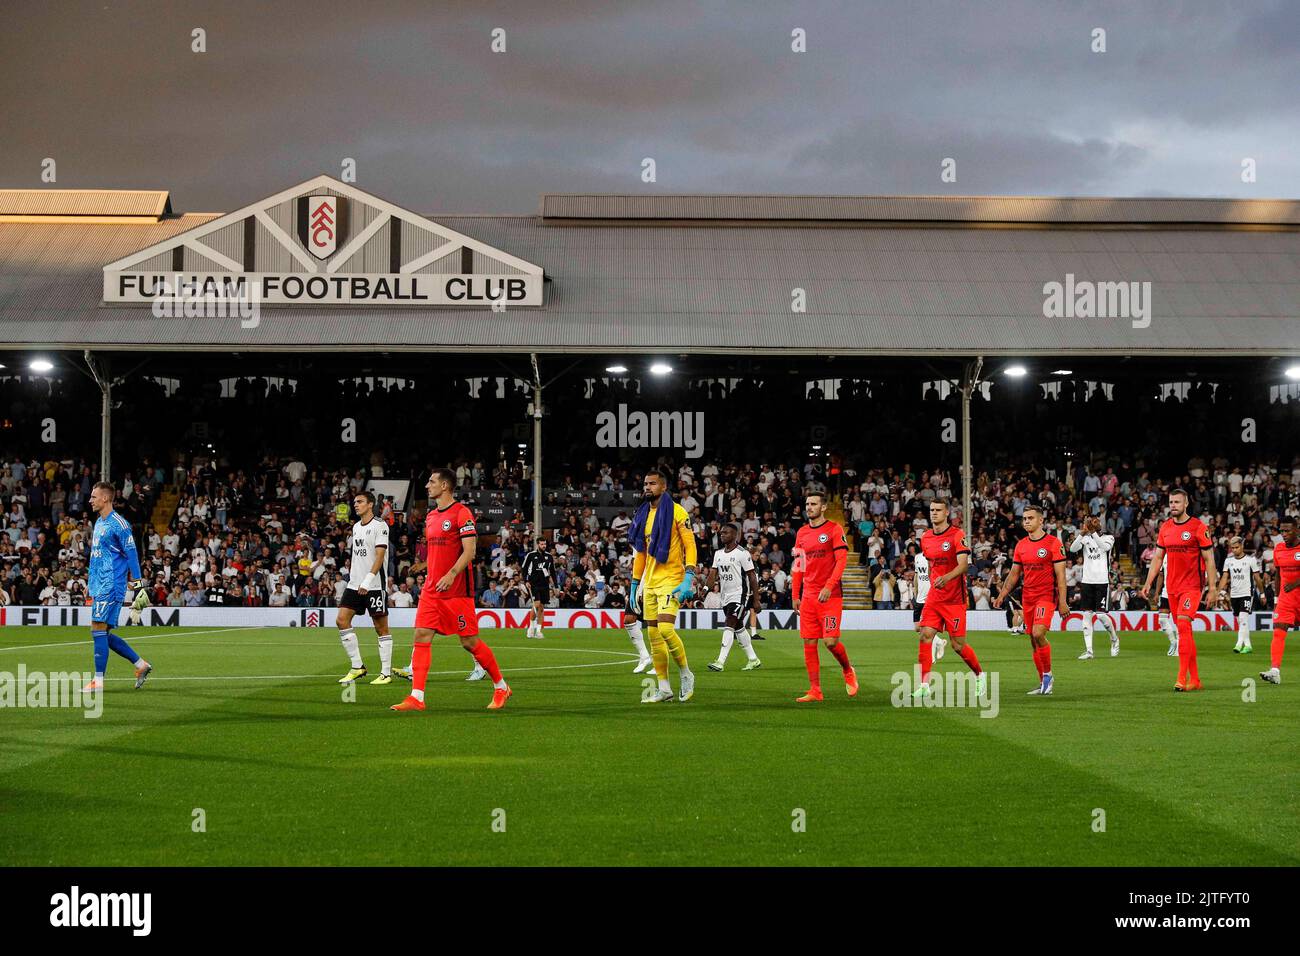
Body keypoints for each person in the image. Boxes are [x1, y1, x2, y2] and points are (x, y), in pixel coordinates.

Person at [392, 469, 511, 711]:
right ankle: (417, 696)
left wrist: (451, 574)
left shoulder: (462, 513)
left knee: (469, 642)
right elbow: (439, 552)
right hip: (432, 589)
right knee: (421, 636)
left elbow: (470, 551)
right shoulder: (432, 516)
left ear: (445, 485)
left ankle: (501, 686)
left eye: (432, 482)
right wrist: (427, 568)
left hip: (456, 590)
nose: (427, 486)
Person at [629, 468, 697, 703]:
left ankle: (686, 674)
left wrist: (689, 575)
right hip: (650, 582)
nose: (647, 487)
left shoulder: (678, 513)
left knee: (666, 630)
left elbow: (691, 545)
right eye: (646, 484)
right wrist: (635, 582)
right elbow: (640, 552)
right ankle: (664, 688)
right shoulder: (642, 515)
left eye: (653, 484)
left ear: (664, 487)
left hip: (672, 580)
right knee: (654, 636)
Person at [1140, 488, 1218, 691]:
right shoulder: (1165, 527)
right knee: (1185, 632)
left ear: (1186, 504)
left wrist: (1212, 588)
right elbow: (1157, 558)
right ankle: (1196, 680)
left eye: (1177, 502)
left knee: (1183, 626)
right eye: (1171, 502)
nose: (1173, 505)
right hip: (1171, 588)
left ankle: (1181, 678)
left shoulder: (1198, 527)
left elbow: (1209, 559)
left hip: (1191, 587)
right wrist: (1148, 582)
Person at [83, 481, 152, 694]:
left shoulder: (120, 525)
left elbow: (132, 555)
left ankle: (98, 680)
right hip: (100, 583)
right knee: (103, 632)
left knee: (97, 628)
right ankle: (141, 665)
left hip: (112, 584)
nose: (90, 500)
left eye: (94, 497)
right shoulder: (100, 522)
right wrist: (90, 582)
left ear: (105, 498)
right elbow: (97, 557)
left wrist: (139, 586)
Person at [915, 499, 985, 700]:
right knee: (924, 635)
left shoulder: (957, 535)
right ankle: (924, 685)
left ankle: (980, 675)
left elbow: (964, 565)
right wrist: (933, 582)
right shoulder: (926, 537)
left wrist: (945, 578)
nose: (934, 513)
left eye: (938, 510)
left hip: (954, 598)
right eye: (932, 510)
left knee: (958, 645)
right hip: (935, 598)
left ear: (947, 513)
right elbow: (930, 564)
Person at [995, 506, 1068, 696]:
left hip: (1045, 596)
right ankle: (1043, 681)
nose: (1026, 521)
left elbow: (1061, 576)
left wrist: (1063, 601)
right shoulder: (1021, 545)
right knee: (1033, 641)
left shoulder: (1053, 543)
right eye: (1024, 518)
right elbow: (1014, 574)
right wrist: (1002, 594)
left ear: (1041, 521)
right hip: (1028, 597)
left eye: (1030, 518)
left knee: (1037, 633)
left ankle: (1048, 676)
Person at [791, 491, 857, 702]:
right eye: (807, 504)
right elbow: (798, 565)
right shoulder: (801, 532)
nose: (809, 507)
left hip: (830, 596)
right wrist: (795, 593)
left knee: (830, 641)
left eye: (813, 504)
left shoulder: (834, 530)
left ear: (823, 507)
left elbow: (841, 561)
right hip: (809, 596)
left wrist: (829, 586)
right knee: (809, 642)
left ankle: (847, 670)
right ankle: (815, 690)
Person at [336, 490, 394, 685]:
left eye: (360, 501)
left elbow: (379, 556)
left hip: (374, 585)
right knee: (342, 620)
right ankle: (357, 667)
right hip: (355, 584)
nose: (356, 505)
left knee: (381, 627)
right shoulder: (356, 527)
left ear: (370, 504)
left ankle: (385, 673)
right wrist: (356, 579)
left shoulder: (380, 525)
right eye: (355, 502)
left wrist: (368, 581)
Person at [705, 523, 762, 672]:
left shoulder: (742, 553)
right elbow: (712, 574)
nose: (722, 534)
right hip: (725, 596)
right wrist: (705, 588)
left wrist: (756, 599)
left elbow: (752, 576)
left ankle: (720, 661)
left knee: (729, 623)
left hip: (740, 595)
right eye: (721, 533)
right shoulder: (718, 554)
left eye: (726, 533)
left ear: (735, 535)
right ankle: (753, 659)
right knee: (739, 627)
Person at [1069, 515, 1120, 659]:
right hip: (1087, 581)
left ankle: (1114, 639)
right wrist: (1082, 534)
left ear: (1100, 524)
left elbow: (1104, 548)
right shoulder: (1085, 538)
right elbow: (1073, 549)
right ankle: (1089, 651)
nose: (1093, 523)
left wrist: (1092, 533)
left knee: (1101, 615)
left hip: (1102, 581)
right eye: (1091, 522)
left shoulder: (1108, 538)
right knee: (1086, 615)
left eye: (1095, 522)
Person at [1260, 517, 1299, 685]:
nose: (1284, 534)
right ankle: (1275, 670)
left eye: (1287, 530)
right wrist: (1276, 599)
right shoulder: (1279, 549)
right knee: (1278, 631)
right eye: (1281, 531)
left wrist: (1296, 583)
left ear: (1296, 529)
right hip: (1286, 600)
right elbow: (1278, 576)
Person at [1218, 537, 1264, 655]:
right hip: (1234, 594)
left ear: (1242, 546)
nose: (1234, 550)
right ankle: (1248, 645)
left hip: (1247, 593)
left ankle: (1238, 645)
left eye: (1236, 547)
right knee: (1240, 621)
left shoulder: (1251, 560)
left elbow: (1257, 578)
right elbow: (1224, 577)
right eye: (1232, 548)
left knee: (1243, 619)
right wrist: (1218, 591)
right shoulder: (1228, 561)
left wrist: (1262, 593)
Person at [520, 536, 555, 640]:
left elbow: (552, 571)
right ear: (538, 545)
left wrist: (555, 585)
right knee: (536, 604)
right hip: (533, 584)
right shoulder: (531, 555)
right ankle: (531, 628)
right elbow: (524, 569)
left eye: (545, 544)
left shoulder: (549, 556)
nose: (543, 546)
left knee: (541, 608)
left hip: (544, 584)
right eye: (541, 544)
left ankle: (538, 631)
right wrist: (526, 581)